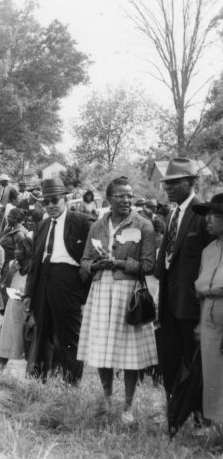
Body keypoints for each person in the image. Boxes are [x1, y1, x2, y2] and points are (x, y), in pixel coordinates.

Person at [77, 177, 158, 423]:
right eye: (120, 195)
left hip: (128, 292)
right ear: (109, 198)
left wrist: (119, 263)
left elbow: (148, 265)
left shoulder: (143, 225)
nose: (126, 200)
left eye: (129, 196)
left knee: (129, 352)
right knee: (103, 349)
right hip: (102, 290)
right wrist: (95, 266)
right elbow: (84, 261)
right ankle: (106, 399)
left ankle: (128, 406)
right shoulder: (97, 226)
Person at [23, 178, 92, 384]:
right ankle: (42, 380)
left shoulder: (81, 222)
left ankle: (71, 383)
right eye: (47, 202)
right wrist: (29, 293)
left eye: (55, 200)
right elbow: (35, 261)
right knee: (42, 333)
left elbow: (90, 259)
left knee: (69, 336)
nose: (51, 206)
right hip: (44, 280)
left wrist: (83, 294)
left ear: (65, 199)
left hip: (68, 282)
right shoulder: (42, 225)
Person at [155, 158, 213, 397]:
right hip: (169, 304)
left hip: (192, 306)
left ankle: (200, 420)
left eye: (175, 183)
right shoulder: (171, 214)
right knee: (170, 359)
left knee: (195, 362)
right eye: (166, 184)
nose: (168, 188)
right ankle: (174, 411)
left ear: (192, 182)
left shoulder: (202, 214)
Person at [193, 194, 223, 426]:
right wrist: (199, 324)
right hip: (208, 316)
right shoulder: (209, 250)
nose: (208, 220)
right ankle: (217, 428)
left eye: (214, 215)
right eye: (208, 215)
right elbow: (202, 287)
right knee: (212, 373)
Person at [0, 236, 34, 371]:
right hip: (13, 309)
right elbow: (3, 286)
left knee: (29, 345)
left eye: (19, 249)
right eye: (16, 248)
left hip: (28, 310)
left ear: (28, 251)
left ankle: (31, 377)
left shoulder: (35, 268)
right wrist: (11, 273)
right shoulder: (13, 265)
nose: (16, 252)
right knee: (6, 342)